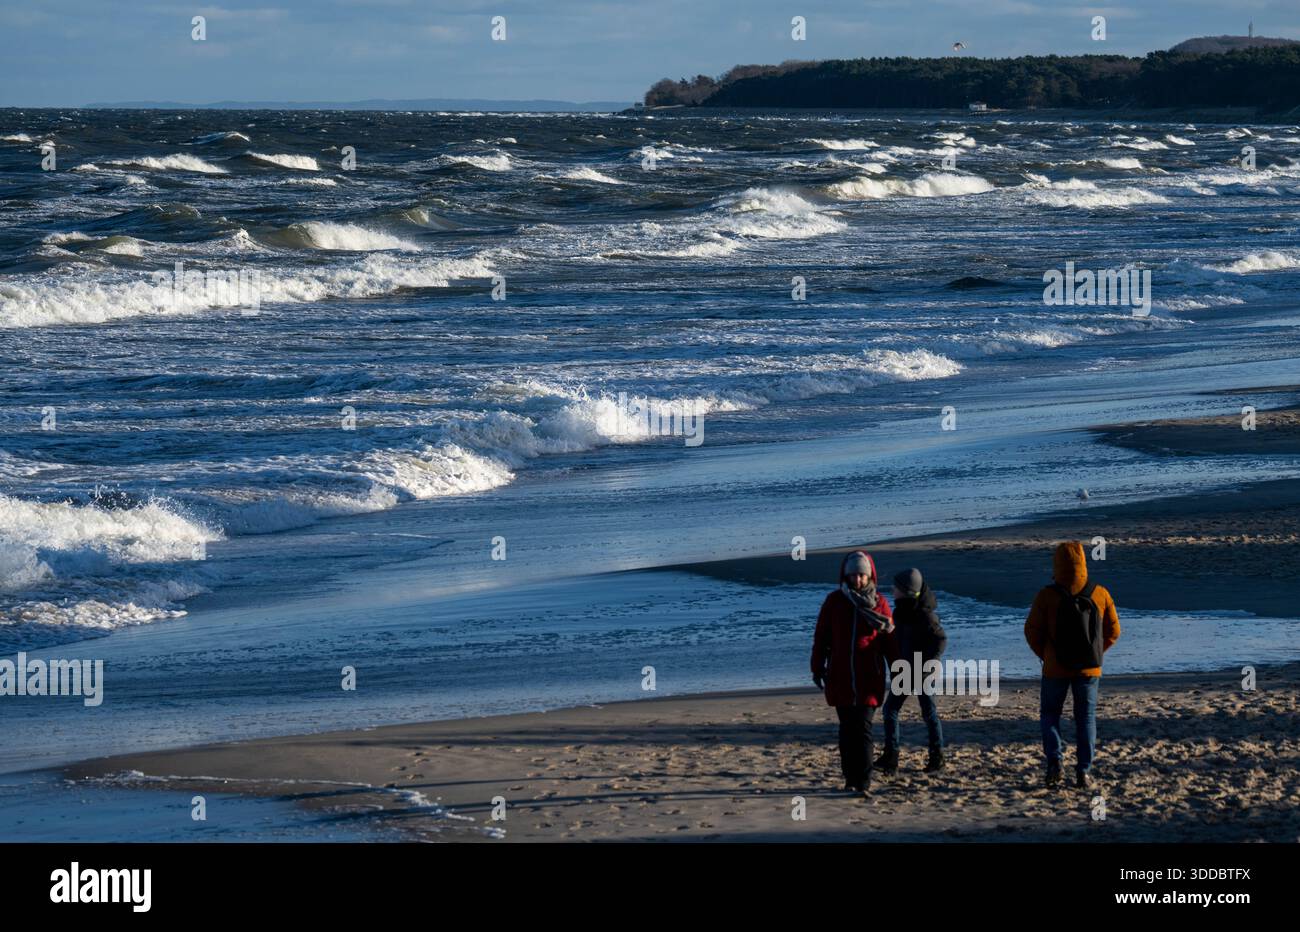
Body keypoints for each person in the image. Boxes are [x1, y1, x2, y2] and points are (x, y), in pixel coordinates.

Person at [1024, 541, 1121, 788]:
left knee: (1050, 715)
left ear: (1057, 564)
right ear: (1083, 563)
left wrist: (1047, 655)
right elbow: (1114, 631)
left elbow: (1031, 631)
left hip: (1055, 668)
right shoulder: (1100, 593)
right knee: (1086, 718)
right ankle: (1084, 771)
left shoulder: (1046, 595)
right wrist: (1096, 653)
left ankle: (1055, 764)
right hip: (1089, 668)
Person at [810, 550, 897, 796]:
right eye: (853, 575)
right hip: (840, 677)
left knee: (863, 729)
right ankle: (850, 778)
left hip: (870, 677)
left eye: (861, 575)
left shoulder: (879, 603)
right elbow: (821, 638)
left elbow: (890, 642)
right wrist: (817, 667)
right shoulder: (834, 602)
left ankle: (864, 781)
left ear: (869, 576)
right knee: (846, 730)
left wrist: (899, 670)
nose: (857, 580)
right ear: (845, 576)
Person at [876, 568, 947, 775]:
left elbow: (941, 640)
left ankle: (937, 757)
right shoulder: (899, 611)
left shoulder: (926, 616)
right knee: (890, 710)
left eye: (896, 587)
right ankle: (891, 756)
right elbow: (898, 641)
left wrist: (928, 664)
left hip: (923, 672)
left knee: (929, 712)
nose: (892, 590)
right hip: (905, 670)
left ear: (907, 591)